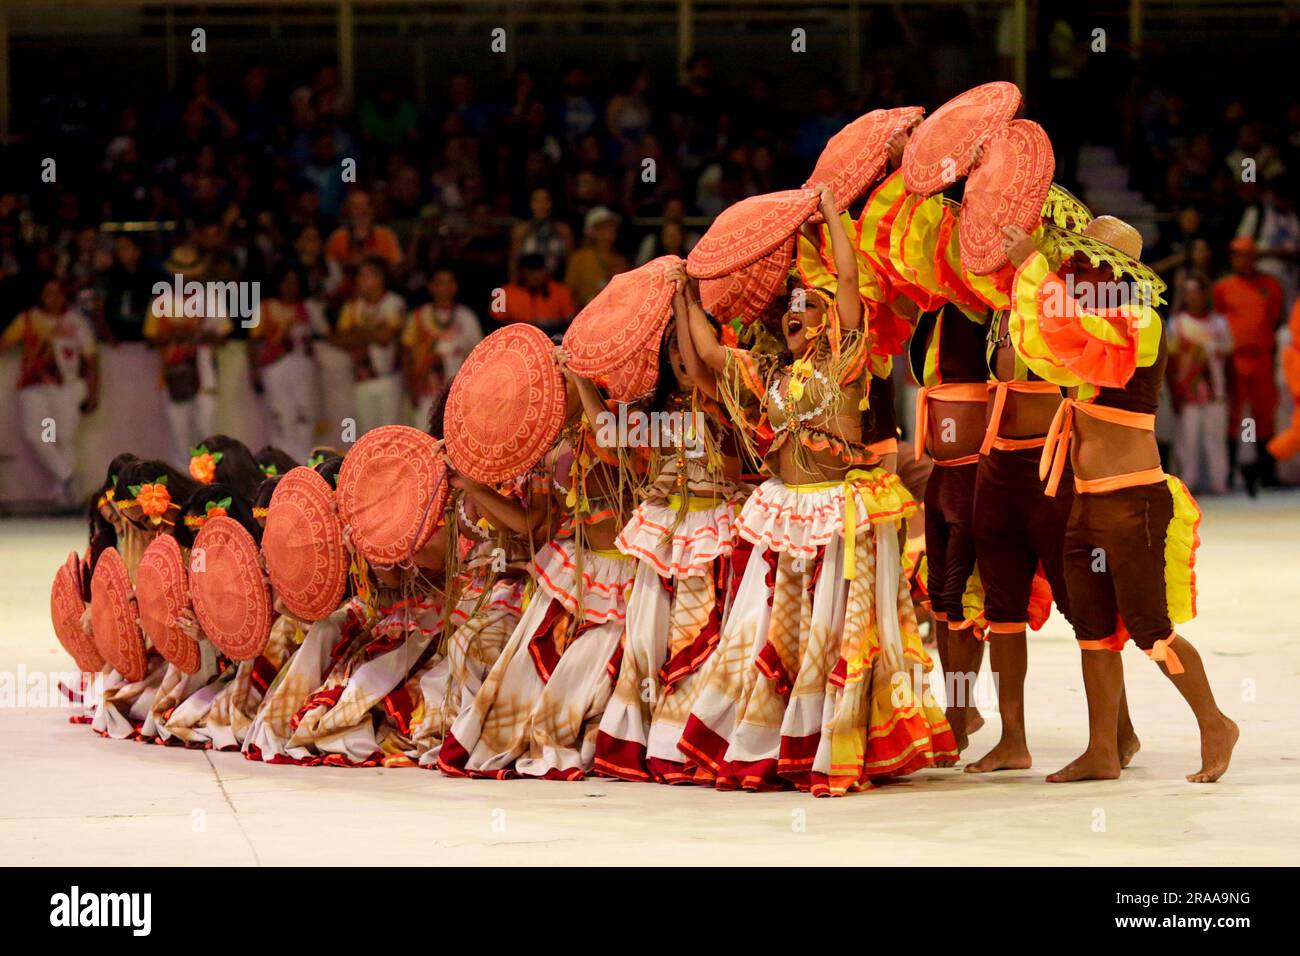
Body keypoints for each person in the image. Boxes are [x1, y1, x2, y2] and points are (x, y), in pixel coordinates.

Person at [678, 184, 954, 795]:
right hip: (785, 513)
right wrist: (685, 291)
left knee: (838, 637)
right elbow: (705, 354)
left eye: (808, 305)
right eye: (790, 308)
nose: (796, 312)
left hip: (837, 513)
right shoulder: (769, 374)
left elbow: (851, 285)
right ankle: (782, 743)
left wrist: (830, 215)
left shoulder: (846, 360)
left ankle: (843, 745)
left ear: (827, 319)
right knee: (779, 637)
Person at [1004, 215, 1237, 784]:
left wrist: (1035, 267)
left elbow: (1075, 334)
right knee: (1092, 629)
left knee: (1150, 628)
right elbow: (1038, 348)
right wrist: (1028, 275)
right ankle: (1103, 750)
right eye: (1074, 264)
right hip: (1086, 501)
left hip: (1134, 500)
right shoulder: (1082, 327)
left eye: (1087, 264)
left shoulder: (1141, 320)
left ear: (1119, 274)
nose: (1077, 271)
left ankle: (1215, 721)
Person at [1, 277, 99, 504]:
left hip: (68, 389)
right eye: (48, 293)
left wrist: (93, 393)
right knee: (39, 435)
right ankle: (68, 476)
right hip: (35, 388)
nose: (52, 298)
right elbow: (5, 343)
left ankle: (66, 493)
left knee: (62, 437)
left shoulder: (76, 322)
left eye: (57, 292)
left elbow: (92, 360)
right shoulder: (28, 319)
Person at [144, 245, 233, 467]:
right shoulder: (161, 301)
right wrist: (174, 334)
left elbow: (223, 336)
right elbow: (151, 339)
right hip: (173, 374)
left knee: (207, 431)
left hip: (204, 371)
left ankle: (208, 484)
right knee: (179, 435)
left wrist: (198, 334)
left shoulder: (210, 299)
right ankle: (183, 485)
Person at [1212, 236, 1284, 486]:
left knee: (1264, 416)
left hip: (1262, 358)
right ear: (1232, 258)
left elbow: (1274, 318)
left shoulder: (1270, 286)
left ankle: (1266, 472)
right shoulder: (1223, 287)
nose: (1244, 260)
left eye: (1248, 255)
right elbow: (1218, 323)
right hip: (1236, 360)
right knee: (1238, 418)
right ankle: (1233, 472)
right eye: (1238, 254)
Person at [248, 265, 328, 461]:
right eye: (286, 281)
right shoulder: (265, 308)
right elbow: (253, 341)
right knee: (282, 417)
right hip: (275, 367)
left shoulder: (308, 308)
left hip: (303, 366)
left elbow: (324, 333)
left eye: (295, 282)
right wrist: (254, 370)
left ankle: (305, 463)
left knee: (305, 415)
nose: (291, 286)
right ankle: (282, 465)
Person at [1168, 274, 1233, 494]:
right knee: (1187, 442)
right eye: (1188, 291)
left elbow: (1229, 360)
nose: (1192, 296)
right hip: (1187, 394)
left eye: (1196, 291)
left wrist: (1229, 391)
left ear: (1205, 294)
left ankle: (1218, 483)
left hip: (1216, 391)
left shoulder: (1219, 324)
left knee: (1215, 440)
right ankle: (1187, 486)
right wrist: (1175, 394)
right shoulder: (1176, 324)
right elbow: (1171, 364)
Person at [401, 266, 482, 428]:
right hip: (425, 393)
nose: (444, 287)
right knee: (425, 437)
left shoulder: (467, 318)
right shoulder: (417, 317)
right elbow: (406, 353)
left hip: (459, 394)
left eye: (449, 283)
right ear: (431, 287)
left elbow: (480, 355)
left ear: (456, 287)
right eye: (439, 283)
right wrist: (411, 388)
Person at [334, 256, 406, 436]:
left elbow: (385, 337)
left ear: (379, 278)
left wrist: (357, 331)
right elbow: (341, 339)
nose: (360, 280)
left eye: (365, 276)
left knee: (390, 435)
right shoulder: (351, 307)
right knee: (367, 436)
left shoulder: (394, 303)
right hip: (361, 380)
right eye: (359, 276)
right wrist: (372, 331)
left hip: (388, 378)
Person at [565, 206, 629, 308]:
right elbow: (569, 293)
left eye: (611, 227)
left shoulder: (621, 259)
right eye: (602, 228)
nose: (608, 232)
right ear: (591, 232)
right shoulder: (578, 258)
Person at [492, 252, 576, 329]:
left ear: (546, 271)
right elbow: (494, 323)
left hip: (552, 338)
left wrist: (552, 323)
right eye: (530, 272)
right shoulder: (501, 293)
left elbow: (570, 321)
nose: (535, 276)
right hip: (515, 337)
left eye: (539, 272)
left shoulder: (562, 291)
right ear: (521, 272)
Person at [325, 190, 403, 272]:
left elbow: (397, 269)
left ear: (372, 209)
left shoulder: (386, 235)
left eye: (366, 205)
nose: (362, 210)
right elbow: (330, 272)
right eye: (356, 207)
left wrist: (378, 260)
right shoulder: (337, 237)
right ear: (348, 211)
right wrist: (349, 263)